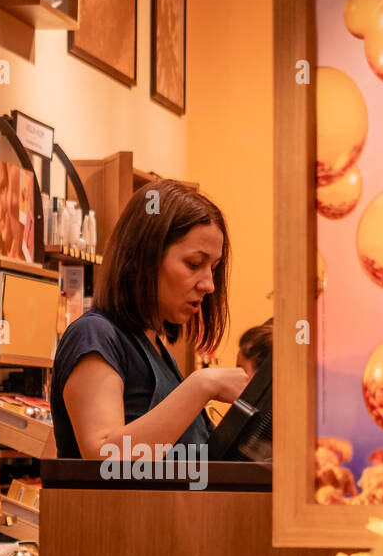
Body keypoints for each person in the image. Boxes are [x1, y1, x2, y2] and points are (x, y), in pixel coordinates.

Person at [50, 180, 250, 459]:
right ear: (144, 257)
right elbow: (102, 454)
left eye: (213, 269)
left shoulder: (157, 350)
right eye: (194, 264)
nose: (209, 285)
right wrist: (202, 386)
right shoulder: (94, 334)